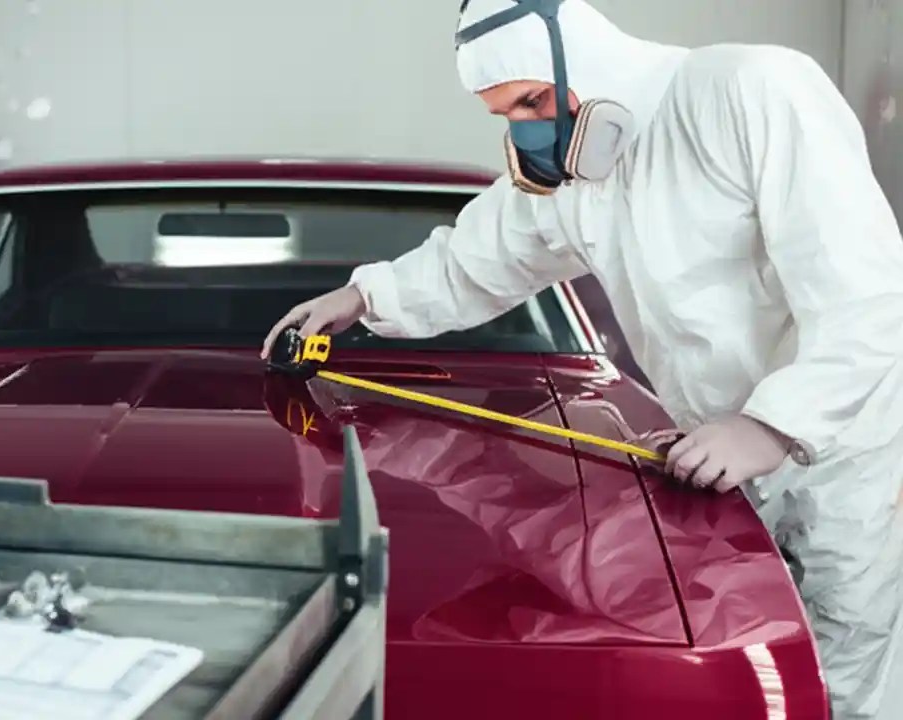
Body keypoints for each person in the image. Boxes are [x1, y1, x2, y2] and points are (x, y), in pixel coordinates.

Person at [260, 1, 903, 717]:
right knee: (756, 678)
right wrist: (359, 297)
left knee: (844, 673)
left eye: (533, 100)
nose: (529, 129)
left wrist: (772, 427)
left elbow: (869, 294)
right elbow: (477, 261)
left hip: (837, 450)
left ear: (588, 63)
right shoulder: (575, 177)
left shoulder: (749, 90)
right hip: (717, 451)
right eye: (506, 114)